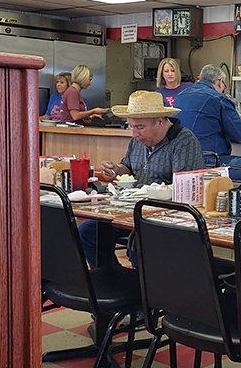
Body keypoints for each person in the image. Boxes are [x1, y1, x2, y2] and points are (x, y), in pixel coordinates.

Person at [78, 91, 204, 267]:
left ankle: (142, 290)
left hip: (166, 216)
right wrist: (115, 170)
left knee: (138, 246)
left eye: (139, 127)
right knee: (86, 233)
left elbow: (184, 191)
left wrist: (142, 223)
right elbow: (127, 167)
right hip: (130, 211)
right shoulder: (137, 140)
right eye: (130, 126)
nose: (134, 133)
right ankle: (112, 280)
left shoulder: (184, 141)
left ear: (160, 121)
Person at [173, 64, 241, 183]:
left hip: (181, 161)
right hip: (209, 162)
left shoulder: (180, 97)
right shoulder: (219, 99)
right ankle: (239, 201)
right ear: (220, 82)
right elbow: (240, 134)